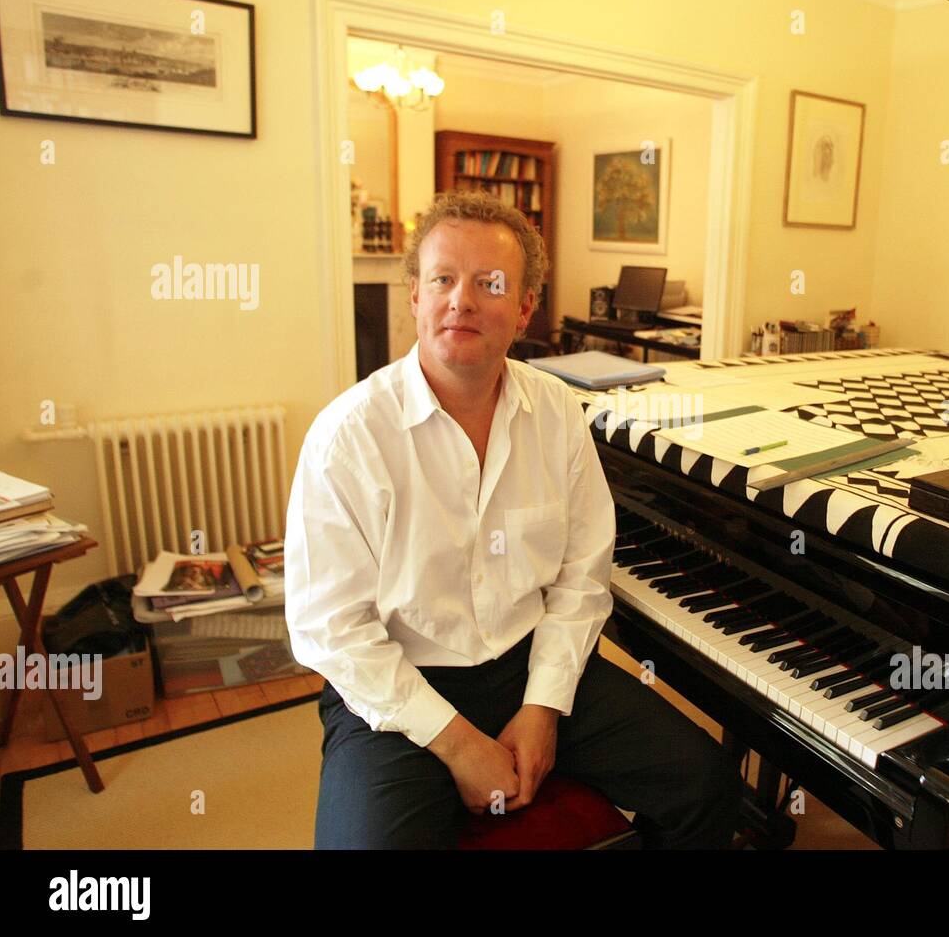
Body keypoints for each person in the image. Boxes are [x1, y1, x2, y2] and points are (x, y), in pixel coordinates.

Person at [284, 189, 743, 849]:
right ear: (414, 295)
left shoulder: (558, 414)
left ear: (526, 307)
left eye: (490, 283)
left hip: (530, 661)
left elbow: (581, 577)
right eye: (442, 279)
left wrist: (543, 705)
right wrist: (457, 743)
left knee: (706, 782)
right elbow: (331, 628)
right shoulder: (348, 436)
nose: (461, 300)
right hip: (398, 682)